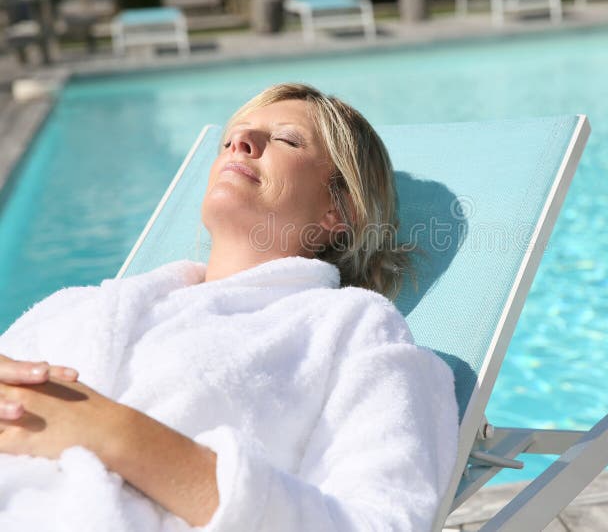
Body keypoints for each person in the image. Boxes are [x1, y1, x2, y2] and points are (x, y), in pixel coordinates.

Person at [0, 83, 459, 531]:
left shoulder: (353, 329)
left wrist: (115, 436)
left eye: (285, 139)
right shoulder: (85, 305)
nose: (240, 141)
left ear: (338, 213)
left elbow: (379, 519)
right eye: (230, 137)